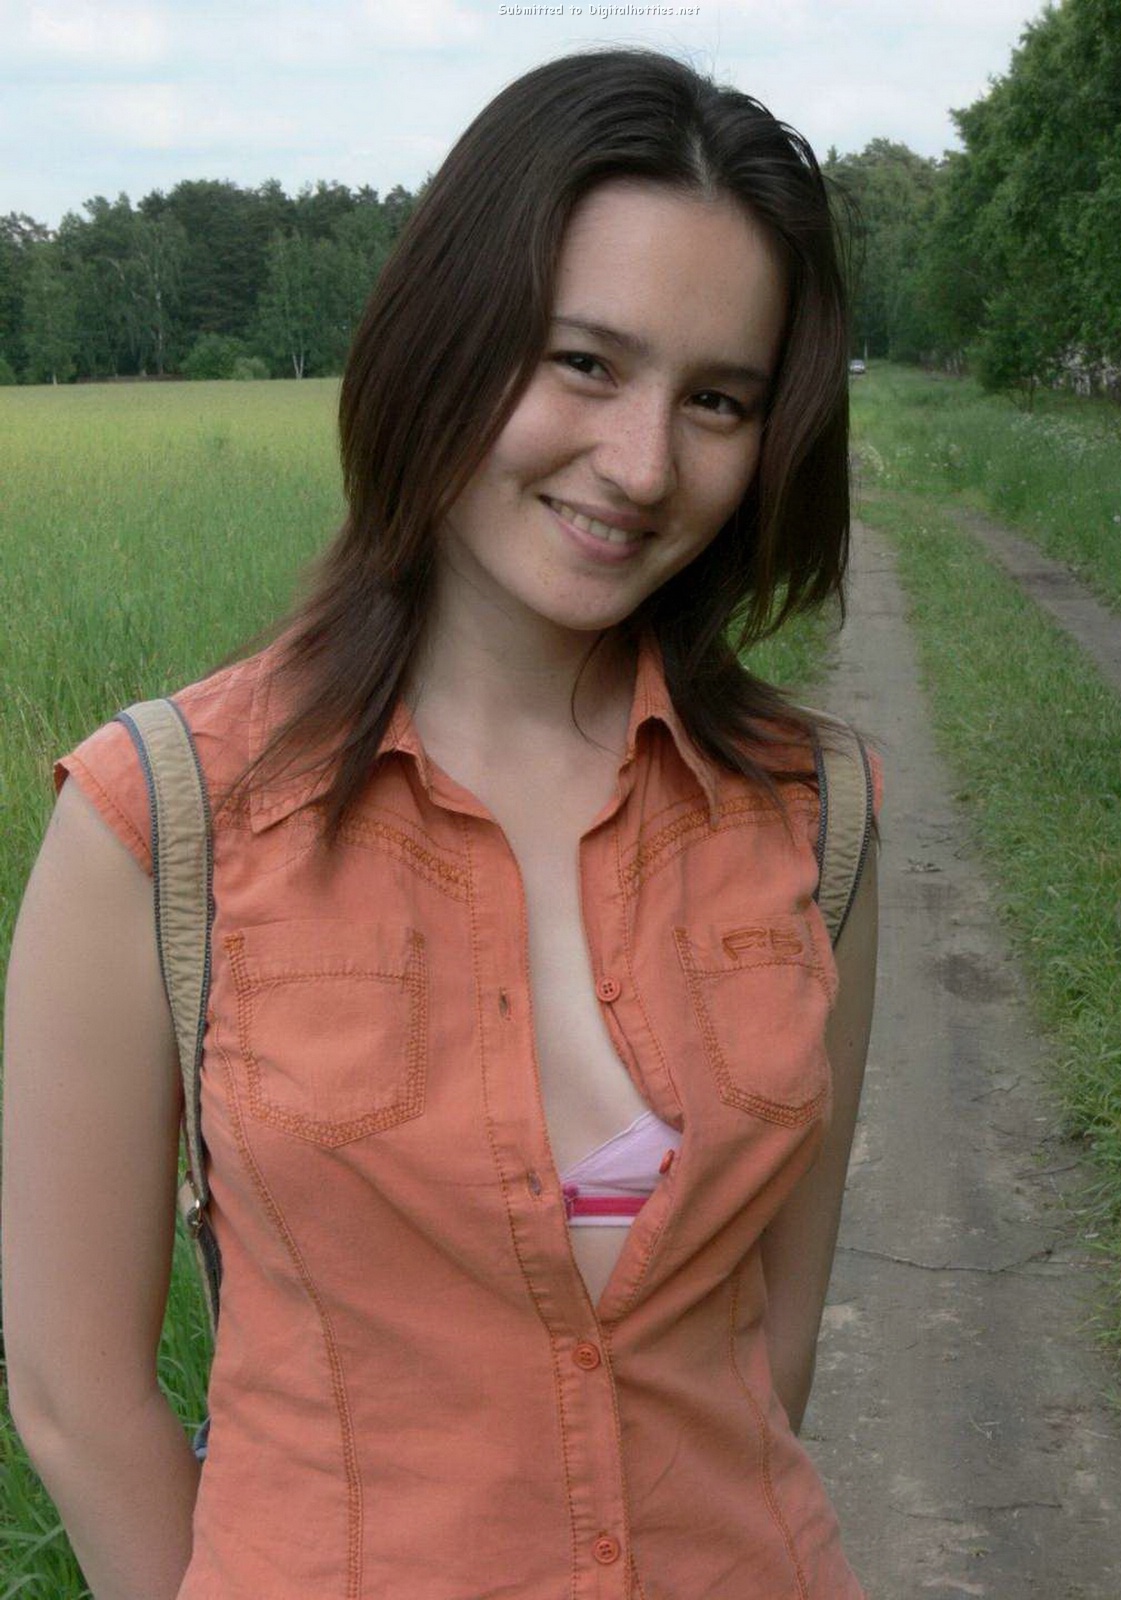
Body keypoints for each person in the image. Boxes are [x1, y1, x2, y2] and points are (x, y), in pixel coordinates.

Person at [2, 45, 881, 1600]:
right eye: (584, 362)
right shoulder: (161, 826)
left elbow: (775, 1348)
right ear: (444, 337)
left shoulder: (818, 816)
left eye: (718, 400)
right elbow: (76, 1395)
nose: (642, 465)